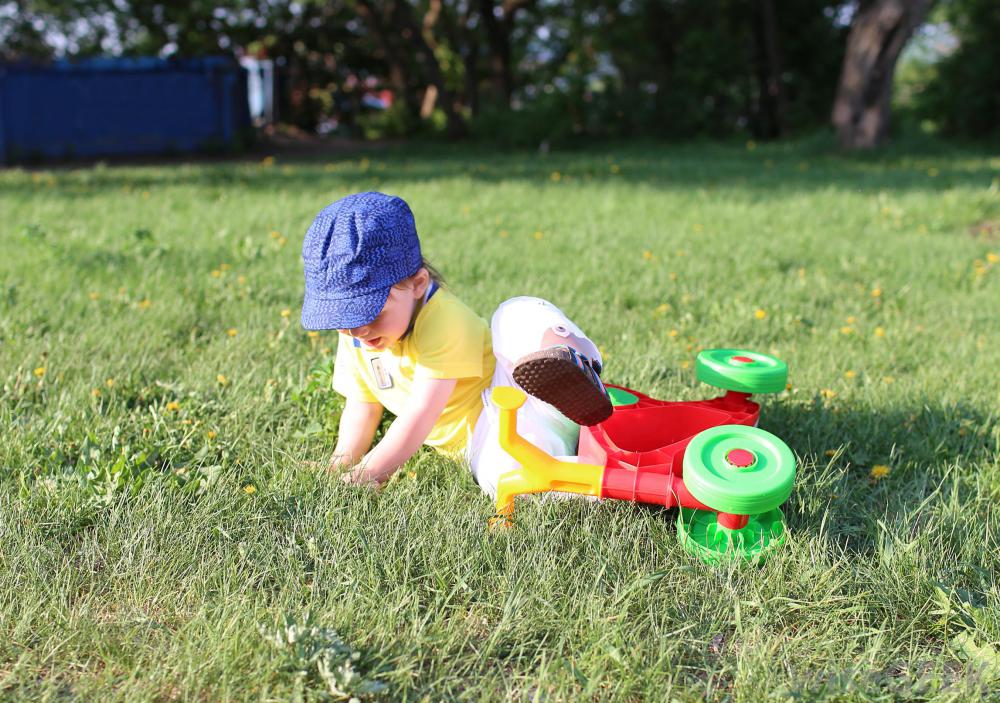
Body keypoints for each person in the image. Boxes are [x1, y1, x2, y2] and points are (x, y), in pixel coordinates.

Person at [301, 191, 611, 498]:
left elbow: (420, 414)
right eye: (342, 317)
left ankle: (577, 366)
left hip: (524, 392)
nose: (358, 328)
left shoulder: (444, 320)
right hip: (490, 436)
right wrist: (341, 462)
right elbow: (363, 407)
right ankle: (596, 482)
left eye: (371, 312)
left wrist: (369, 473)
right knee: (504, 478)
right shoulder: (357, 336)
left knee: (514, 313)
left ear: (418, 284)